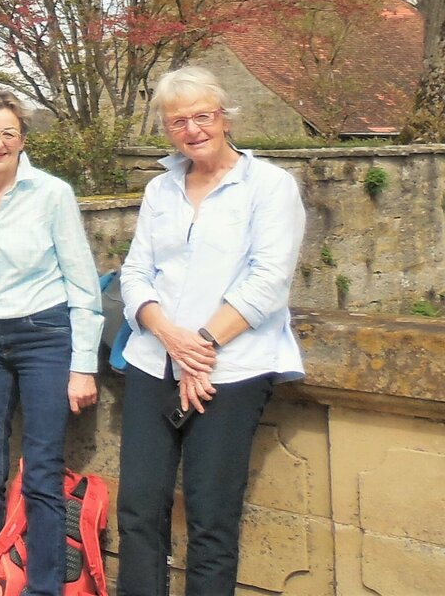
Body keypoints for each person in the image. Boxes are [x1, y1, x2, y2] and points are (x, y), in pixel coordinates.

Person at [116, 67, 305, 596]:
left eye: (203, 116)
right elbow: (135, 273)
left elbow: (268, 281)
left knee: (211, 517)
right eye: (178, 121)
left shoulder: (269, 186)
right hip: (154, 362)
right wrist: (168, 336)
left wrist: (199, 348)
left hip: (231, 370)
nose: (193, 130)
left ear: (225, 118)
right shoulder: (161, 189)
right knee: (138, 509)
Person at [0, 89, 103, 596]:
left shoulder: (52, 194)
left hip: (44, 337)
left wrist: (83, 364)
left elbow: (82, 283)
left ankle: (43, 590)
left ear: (22, 139)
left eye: (8, 133)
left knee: (41, 474)